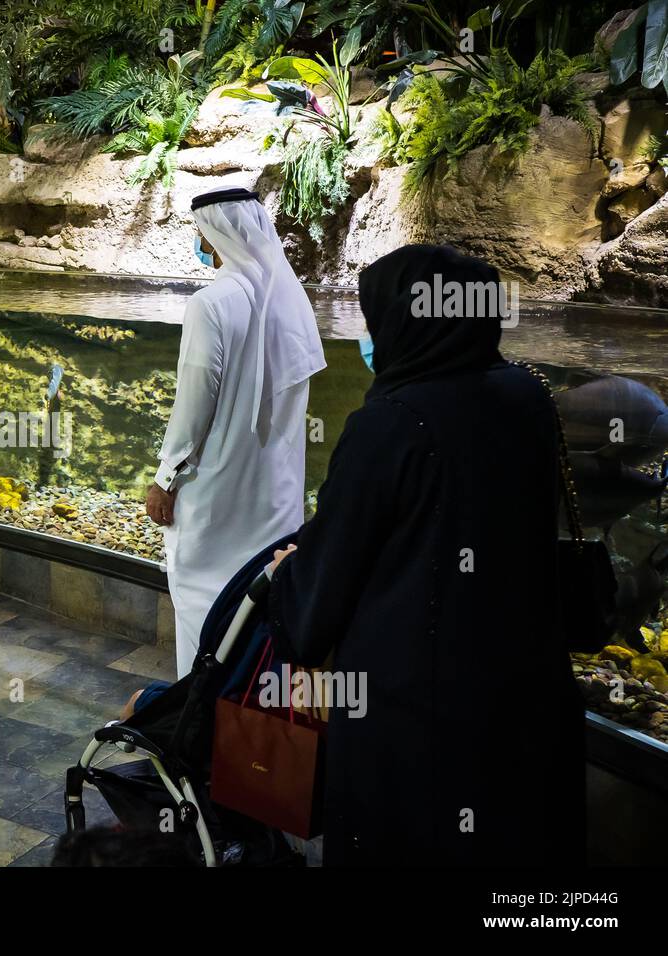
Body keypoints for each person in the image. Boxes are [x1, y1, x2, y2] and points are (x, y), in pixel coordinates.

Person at [264, 244, 585, 866]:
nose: (371, 334)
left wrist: (288, 578)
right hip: (526, 690)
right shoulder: (528, 396)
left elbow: (329, 575)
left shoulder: (391, 422)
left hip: (416, 710)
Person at [147, 187, 325, 676]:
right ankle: (251, 722)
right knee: (262, 606)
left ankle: (198, 716)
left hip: (218, 491)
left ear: (215, 232)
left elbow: (193, 404)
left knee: (207, 603)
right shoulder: (293, 300)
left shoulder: (211, 303)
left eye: (199, 233)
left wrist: (166, 477)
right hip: (275, 496)